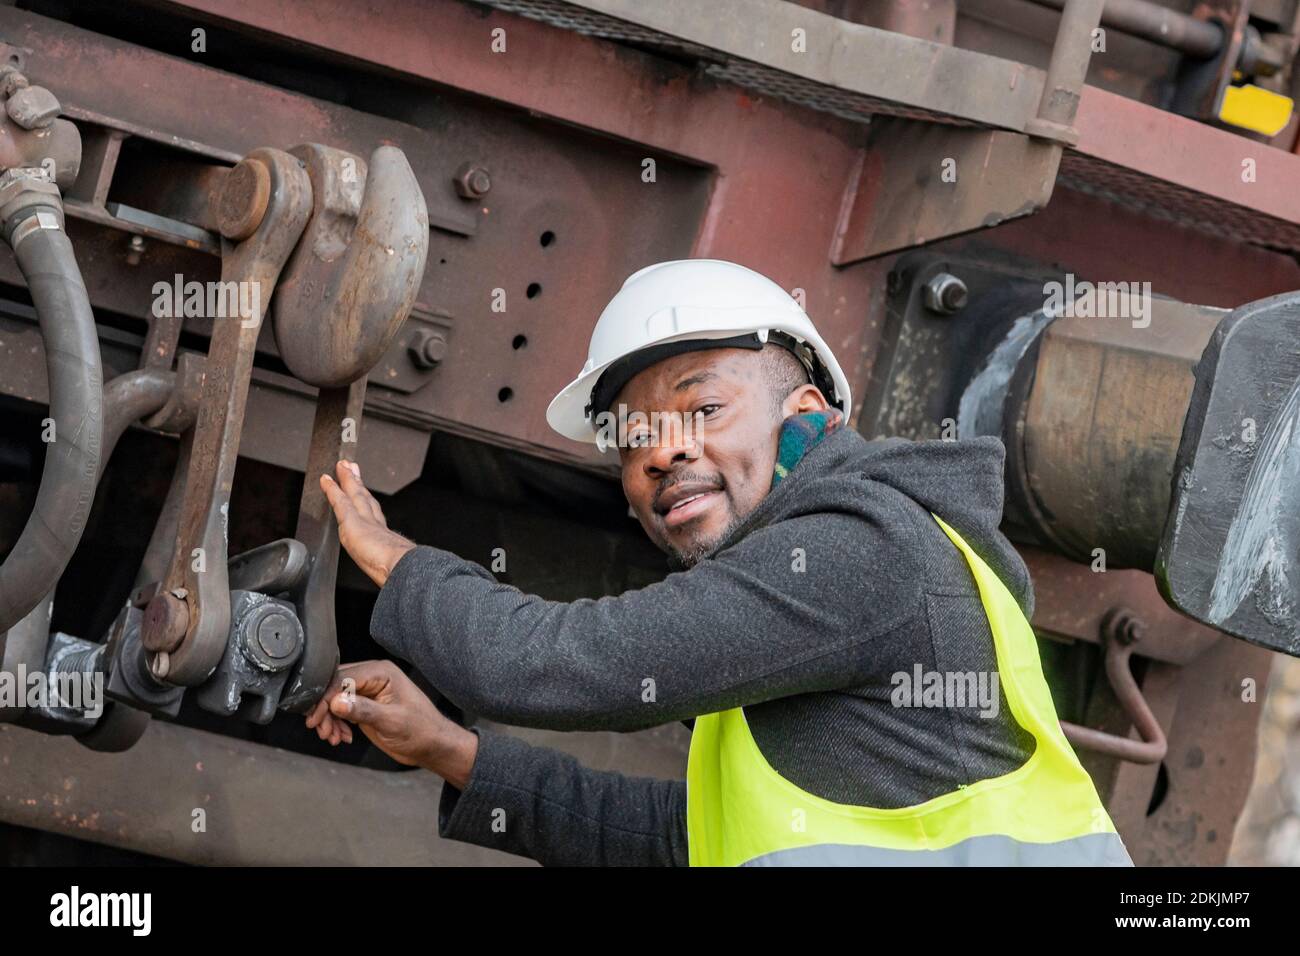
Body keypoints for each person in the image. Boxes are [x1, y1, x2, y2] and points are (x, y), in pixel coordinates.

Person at [306, 258, 1132, 866]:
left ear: (804, 412)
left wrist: (396, 561)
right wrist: (452, 749)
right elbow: (695, 843)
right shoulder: (815, 607)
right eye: (634, 438)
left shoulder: (860, 550)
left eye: (703, 407)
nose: (662, 452)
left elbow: (553, 662)